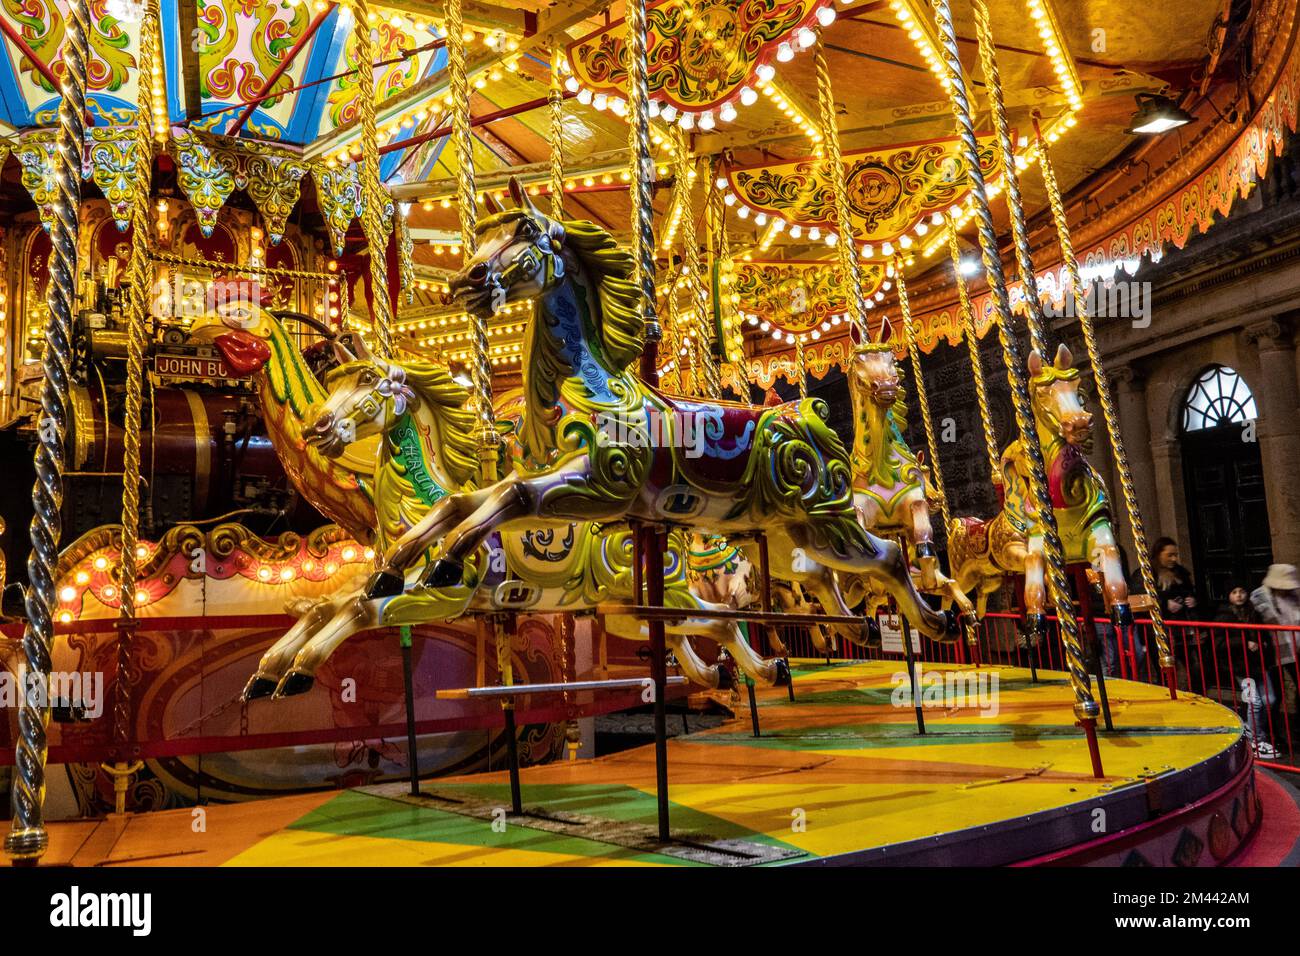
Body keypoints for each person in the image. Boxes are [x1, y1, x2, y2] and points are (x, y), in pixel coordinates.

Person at [1215, 584, 1276, 759]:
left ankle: (1250, 728)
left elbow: (1262, 635)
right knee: (1255, 701)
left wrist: (1262, 645)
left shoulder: (1253, 612)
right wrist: (1244, 643)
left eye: (1242, 591)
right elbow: (1220, 643)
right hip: (1240, 665)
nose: (1239, 595)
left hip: (1258, 663)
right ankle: (1257, 740)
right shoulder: (1224, 616)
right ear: (1228, 596)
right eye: (1234, 592)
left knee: (1269, 699)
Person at [1251, 564, 1300, 750]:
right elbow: (1266, 621)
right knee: (1274, 695)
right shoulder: (1259, 597)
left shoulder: (1294, 596)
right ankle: (1273, 736)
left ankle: (1296, 730)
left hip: (1295, 648)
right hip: (1272, 651)